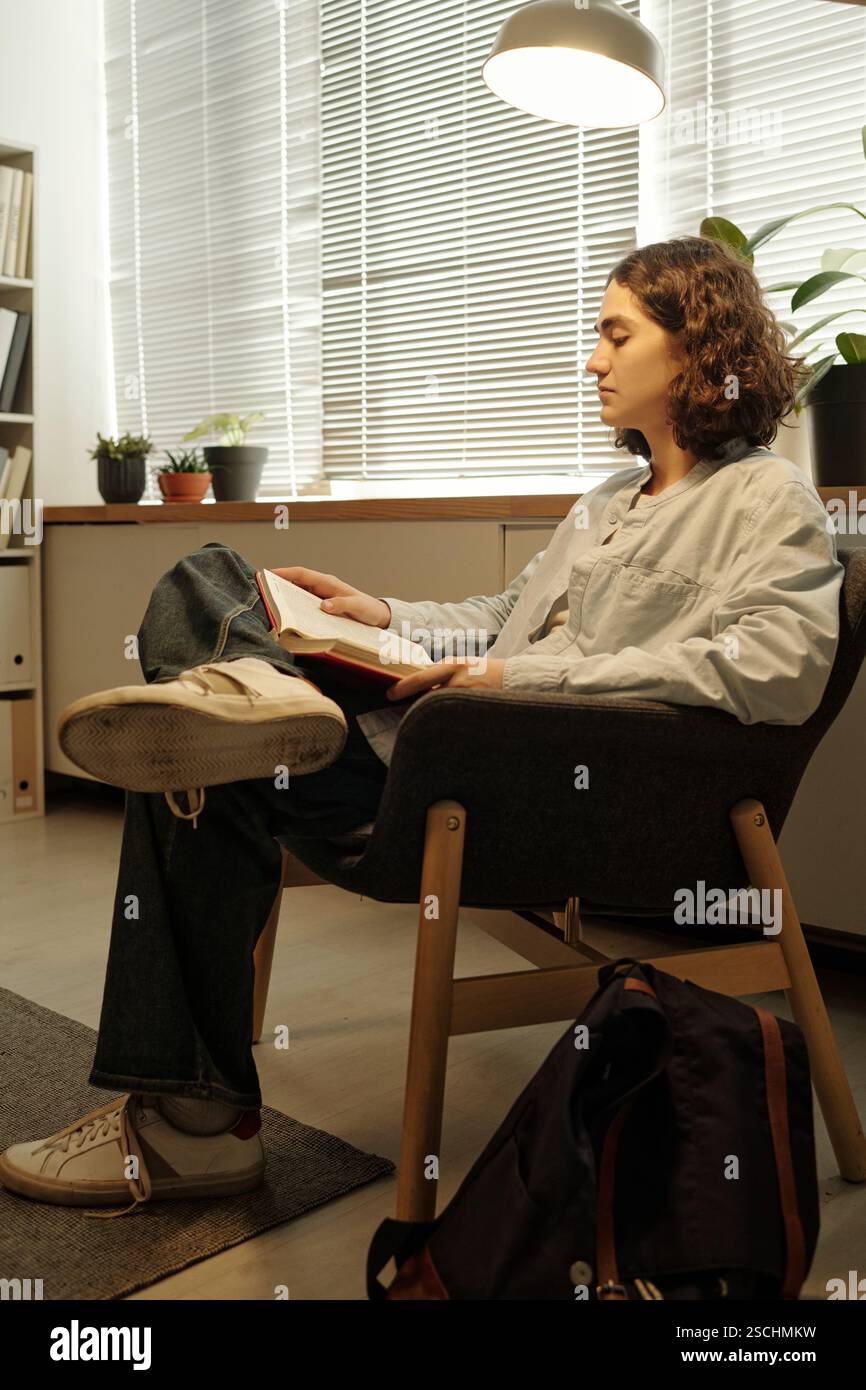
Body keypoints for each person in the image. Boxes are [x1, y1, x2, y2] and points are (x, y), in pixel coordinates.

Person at [0, 235, 843, 1216]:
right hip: (454, 748)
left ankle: (193, 1125)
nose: (591, 359)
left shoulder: (765, 498)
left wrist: (512, 676)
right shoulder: (609, 499)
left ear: (695, 344)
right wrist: (380, 616)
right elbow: (498, 617)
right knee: (211, 581)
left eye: (614, 334)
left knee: (193, 756)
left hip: (531, 788)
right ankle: (249, 714)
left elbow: (776, 671)